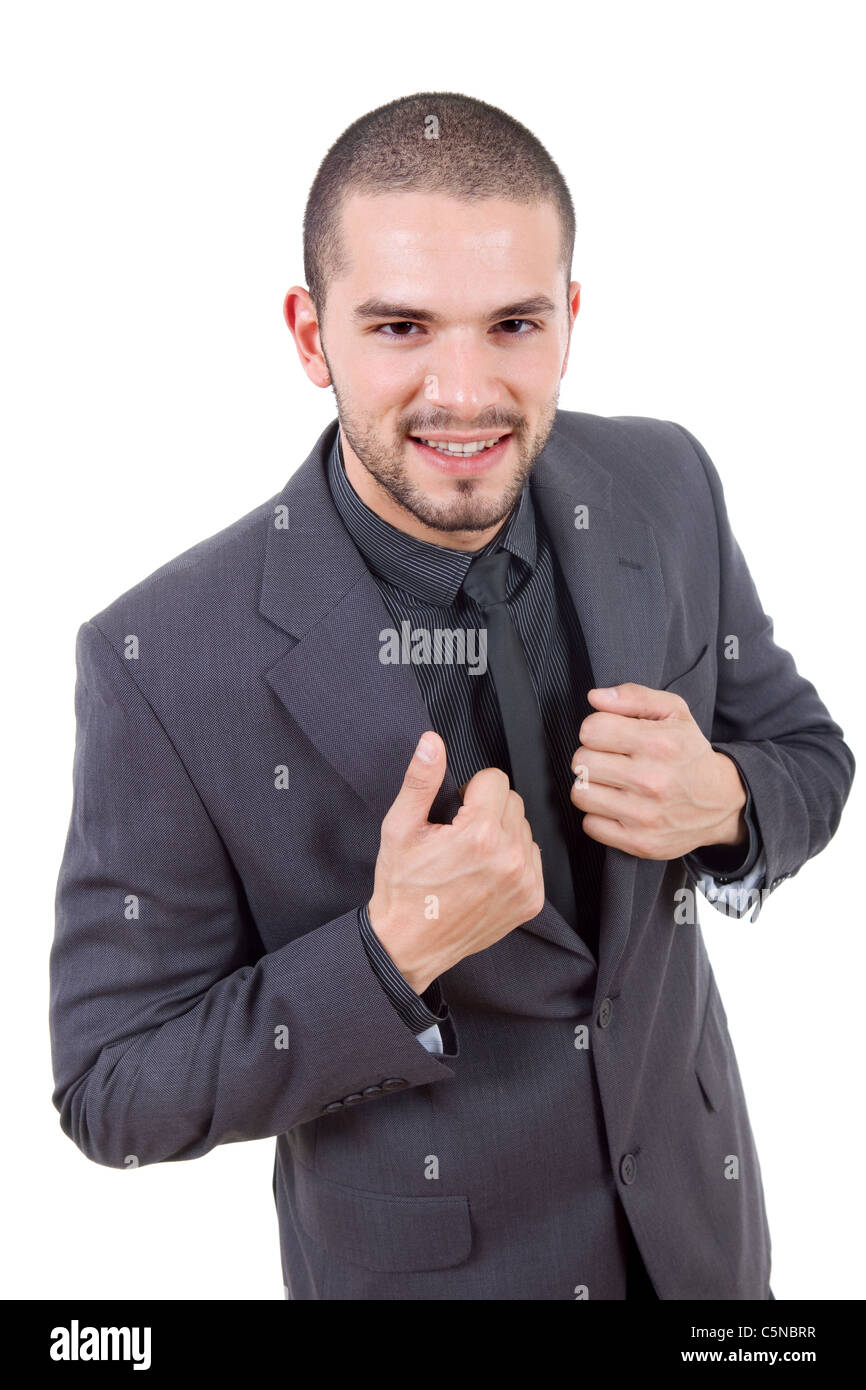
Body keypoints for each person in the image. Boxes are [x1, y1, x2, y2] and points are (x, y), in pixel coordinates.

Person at [50, 91, 854, 1300]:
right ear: (311, 336)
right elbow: (110, 1084)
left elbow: (806, 751)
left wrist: (727, 801)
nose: (466, 393)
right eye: (402, 327)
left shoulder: (663, 480)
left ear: (569, 320)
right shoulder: (157, 659)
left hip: (704, 1253)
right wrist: (384, 958)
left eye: (513, 324)